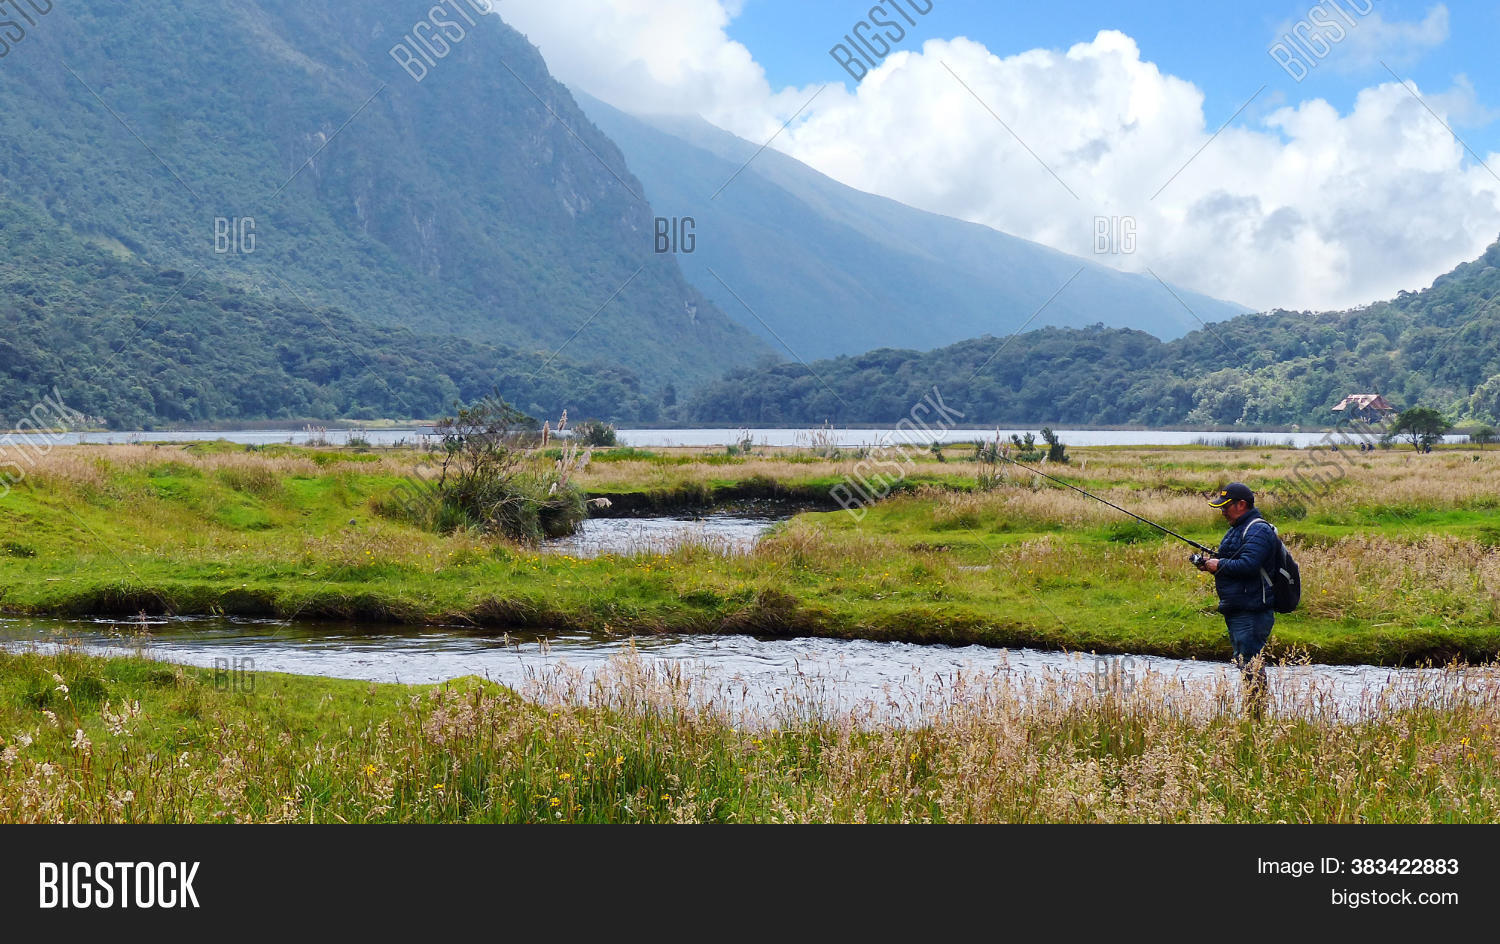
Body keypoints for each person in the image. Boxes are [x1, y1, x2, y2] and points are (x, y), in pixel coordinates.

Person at [1194, 482, 1277, 715]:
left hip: (1252, 609)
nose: (1222, 513)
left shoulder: (1257, 530)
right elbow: (1236, 560)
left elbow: (1249, 565)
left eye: (1225, 507)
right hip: (1238, 607)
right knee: (1246, 662)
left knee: (1251, 663)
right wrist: (1209, 564)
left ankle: (1256, 715)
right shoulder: (1238, 528)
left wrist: (1218, 564)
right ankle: (1253, 714)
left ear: (1242, 505)